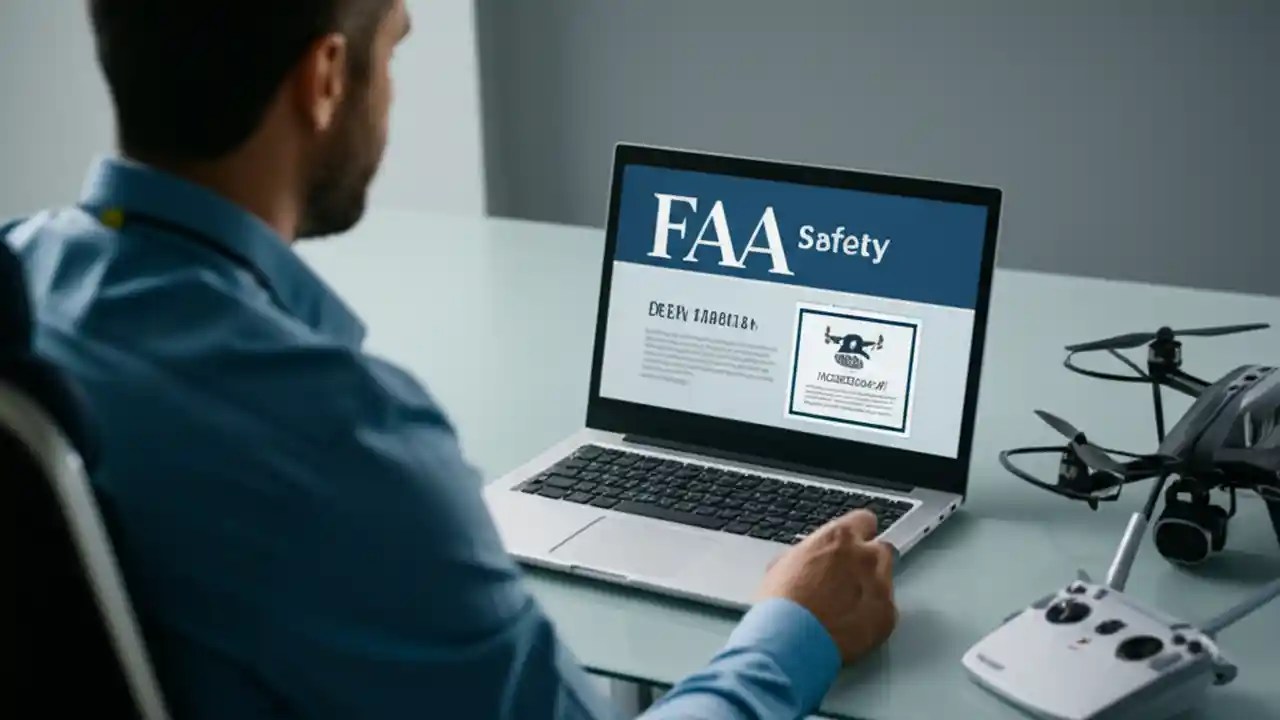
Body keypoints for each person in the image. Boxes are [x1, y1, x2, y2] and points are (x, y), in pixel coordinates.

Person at [4, 1, 898, 717]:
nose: (389, 88)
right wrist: (793, 628)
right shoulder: (341, 439)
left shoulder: (21, 276)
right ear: (325, 79)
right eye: (391, 49)